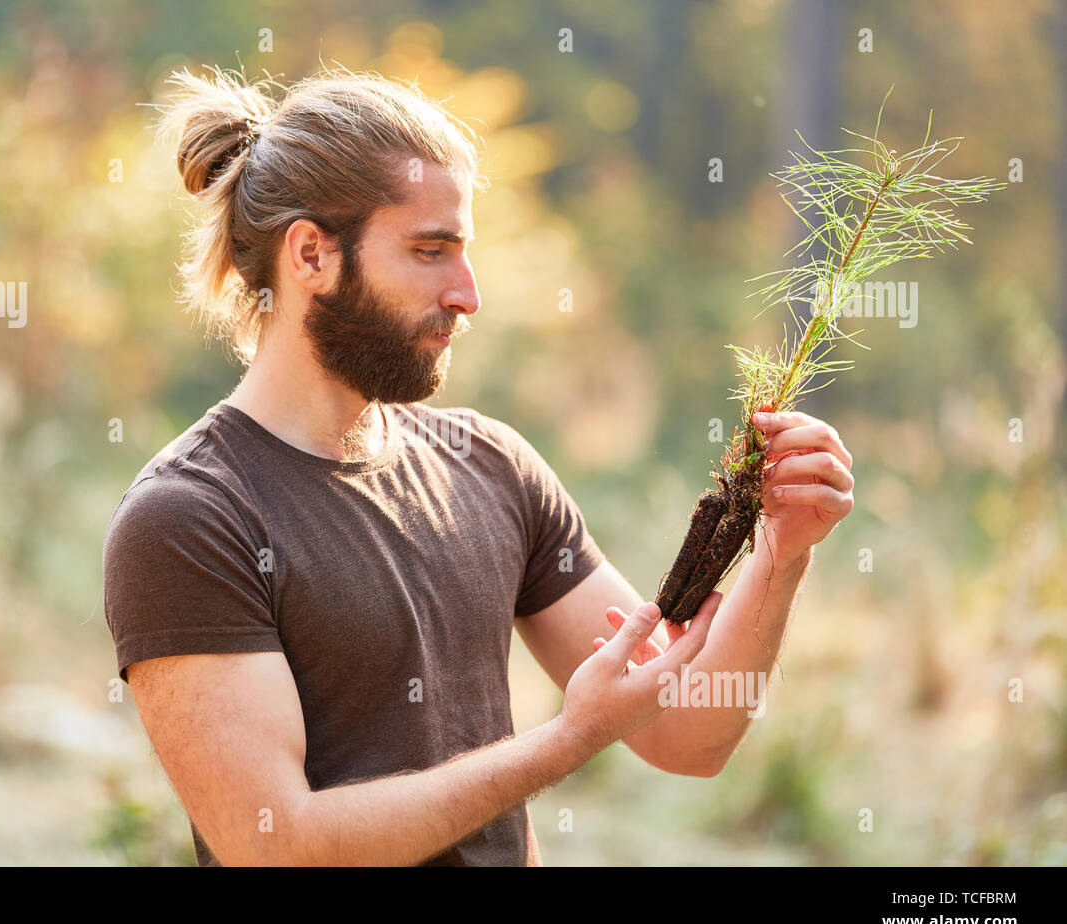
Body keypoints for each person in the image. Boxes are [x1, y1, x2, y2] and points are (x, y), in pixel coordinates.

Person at [102, 64, 856, 866]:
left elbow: (688, 734)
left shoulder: (490, 467)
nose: (468, 294)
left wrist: (781, 550)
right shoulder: (188, 520)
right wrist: (568, 740)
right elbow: (281, 846)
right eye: (430, 251)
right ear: (312, 255)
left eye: (463, 253)